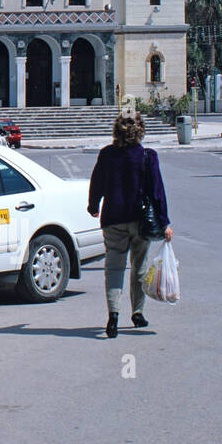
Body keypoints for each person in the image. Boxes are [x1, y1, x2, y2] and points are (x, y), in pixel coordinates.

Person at [87, 113, 172, 339]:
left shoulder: (106, 155)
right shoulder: (147, 156)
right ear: (140, 131)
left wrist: (93, 205)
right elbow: (157, 192)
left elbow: (97, 183)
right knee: (139, 267)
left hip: (113, 219)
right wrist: (164, 223)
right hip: (139, 220)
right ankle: (137, 313)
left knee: (114, 268)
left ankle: (113, 315)